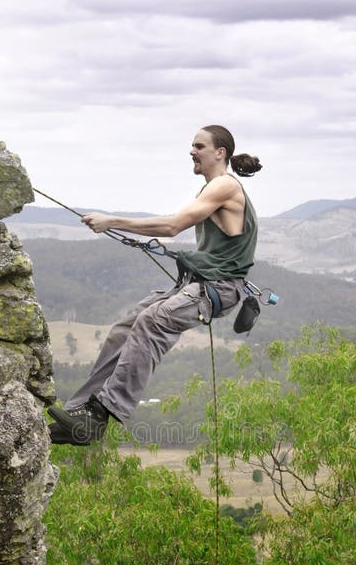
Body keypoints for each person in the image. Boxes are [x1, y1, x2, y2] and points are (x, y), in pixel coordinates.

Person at [48, 124, 262, 445]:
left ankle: (101, 413)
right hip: (204, 283)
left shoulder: (224, 186)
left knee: (153, 320)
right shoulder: (214, 188)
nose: (192, 151)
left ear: (220, 153)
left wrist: (112, 220)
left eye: (199, 146)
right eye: (192, 145)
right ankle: (78, 413)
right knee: (125, 327)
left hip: (219, 287)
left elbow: (172, 226)